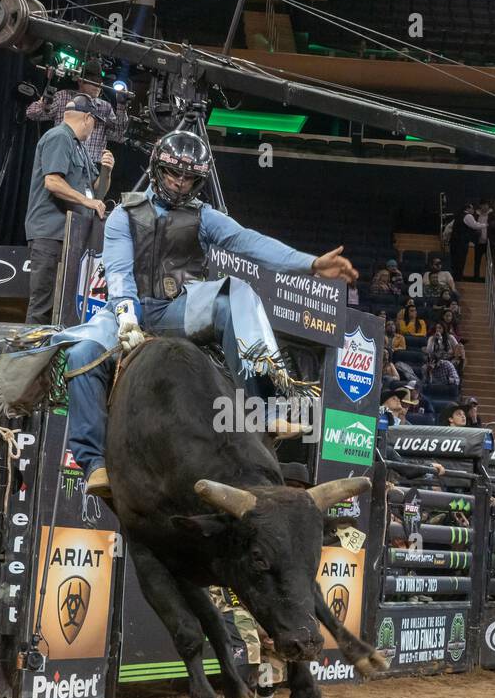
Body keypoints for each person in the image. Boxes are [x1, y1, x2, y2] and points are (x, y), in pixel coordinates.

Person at [50, 130, 357, 496]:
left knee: (236, 292)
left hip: (176, 307)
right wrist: (126, 317)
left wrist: (310, 264)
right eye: (172, 174)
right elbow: (118, 271)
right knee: (81, 353)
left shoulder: (205, 217)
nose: (180, 184)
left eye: (189, 178)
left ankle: (266, 408)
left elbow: (249, 242)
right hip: (126, 310)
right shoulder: (124, 215)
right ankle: (94, 463)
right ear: (157, 169)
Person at [25, 94, 114, 325]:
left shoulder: (80, 148)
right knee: (42, 306)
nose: (95, 129)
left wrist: (106, 171)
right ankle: (30, 360)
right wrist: (88, 203)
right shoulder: (59, 137)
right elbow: (52, 182)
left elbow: (97, 193)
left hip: (71, 238)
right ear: (87, 118)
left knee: (62, 308)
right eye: (95, 122)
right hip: (51, 234)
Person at [26, 58, 123, 163]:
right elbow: (32, 113)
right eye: (93, 81)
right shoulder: (63, 96)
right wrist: (48, 95)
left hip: (89, 170)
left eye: (99, 82)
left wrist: (122, 105)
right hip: (61, 161)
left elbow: (118, 136)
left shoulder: (106, 107)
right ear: (80, 81)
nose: (97, 86)